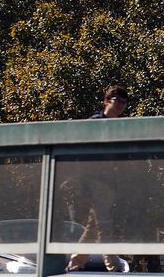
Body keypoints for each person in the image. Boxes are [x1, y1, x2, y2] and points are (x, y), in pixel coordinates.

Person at [68, 87, 129, 271]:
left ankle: (75, 263)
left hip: (110, 183)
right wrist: (84, 187)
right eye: (117, 100)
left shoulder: (122, 127)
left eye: (124, 102)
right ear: (106, 101)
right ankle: (112, 264)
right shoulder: (94, 123)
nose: (120, 105)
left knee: (93, 226)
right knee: (104, 222)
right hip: (94, 181)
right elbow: (81, 158)